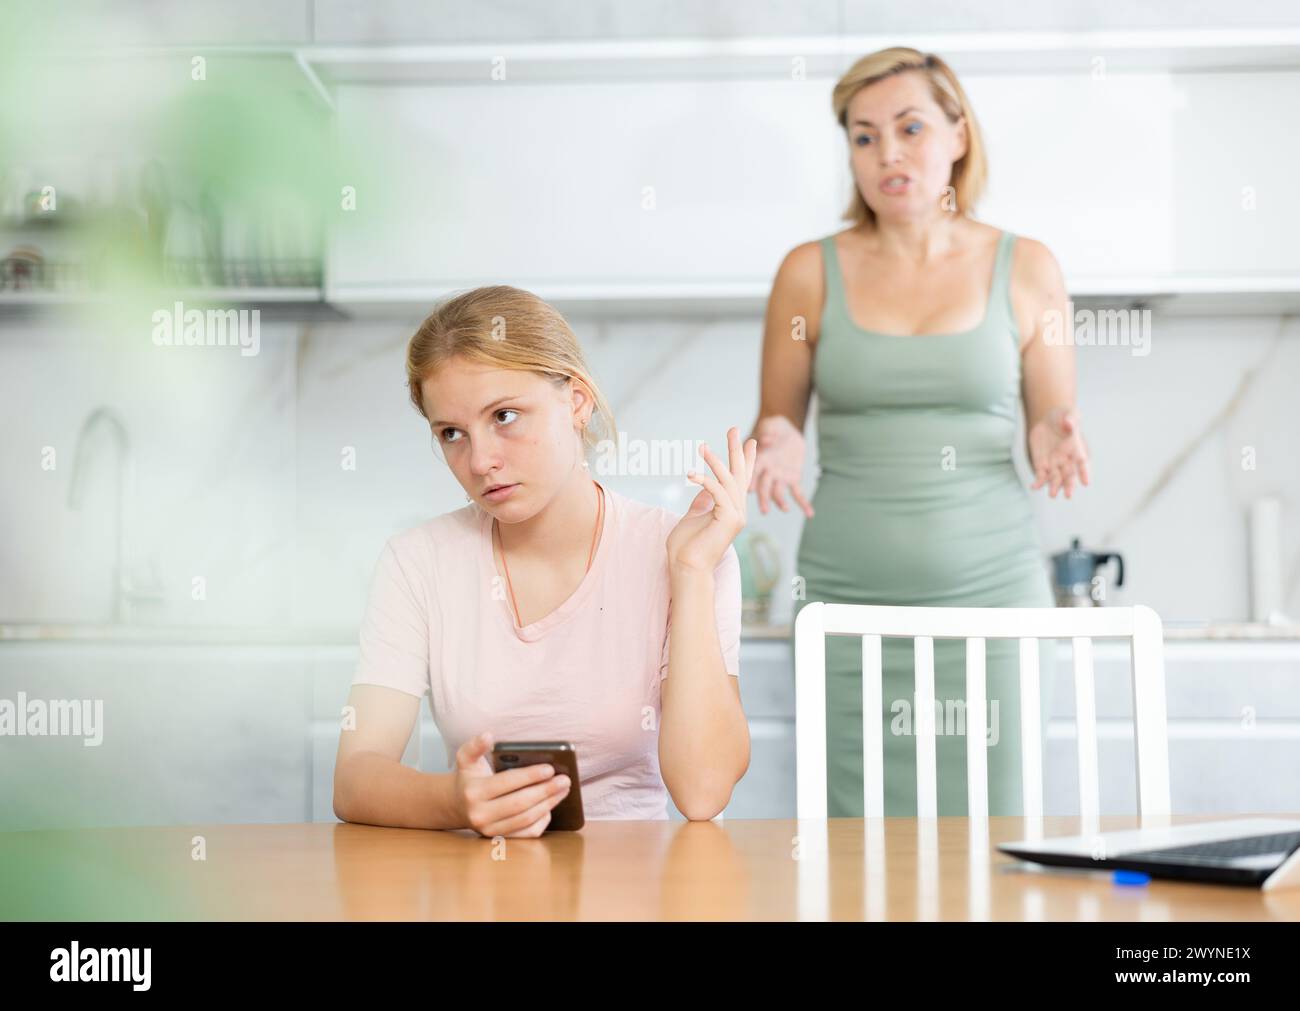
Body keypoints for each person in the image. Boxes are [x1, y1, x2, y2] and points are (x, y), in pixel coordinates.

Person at [748, 48, 1090, 816]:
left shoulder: (1027, 266)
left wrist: (1053, 436)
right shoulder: (807, 271)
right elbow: (778, 418)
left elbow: (1049, 417)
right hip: (846, 607)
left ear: (959, 135)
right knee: (852, 846)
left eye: (909, 128)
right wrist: (775, 439)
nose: (887, 154)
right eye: (864, 137)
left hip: (993, 603)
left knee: (1002, 838)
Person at [333, 285, 753, 836]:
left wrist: (693, 575)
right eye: (452, 434)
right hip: (484, 887)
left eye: (505, 415)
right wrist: (457, 802)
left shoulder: (683, 551)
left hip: (638, 889)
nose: (480, 460)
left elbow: (703, 792)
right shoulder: (418, 562)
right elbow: (355, 778)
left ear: (576, 401)